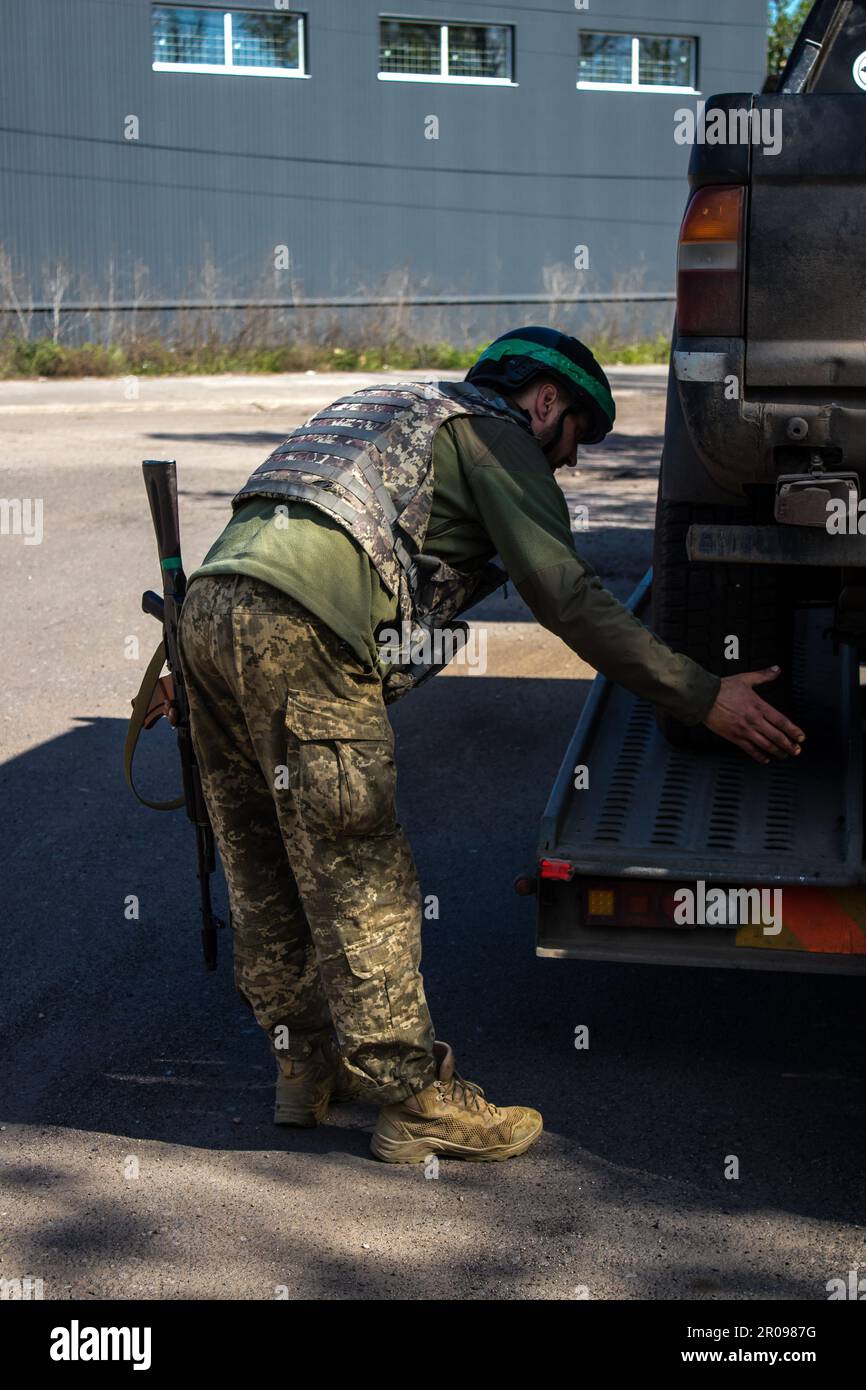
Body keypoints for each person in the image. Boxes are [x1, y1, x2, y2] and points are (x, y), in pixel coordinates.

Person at [177, 326, 805, 1164]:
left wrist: (179, 671)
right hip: (304, 630)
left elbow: (271, 538)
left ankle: (303, 1066)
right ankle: (415, 1103)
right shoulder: (495, 436)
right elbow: (567, 595)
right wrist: (700, 694)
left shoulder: (385, 408)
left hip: (208, 617)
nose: (570, 466)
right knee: (358, 867)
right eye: (576, 438)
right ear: (545, 402)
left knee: (258, 859)